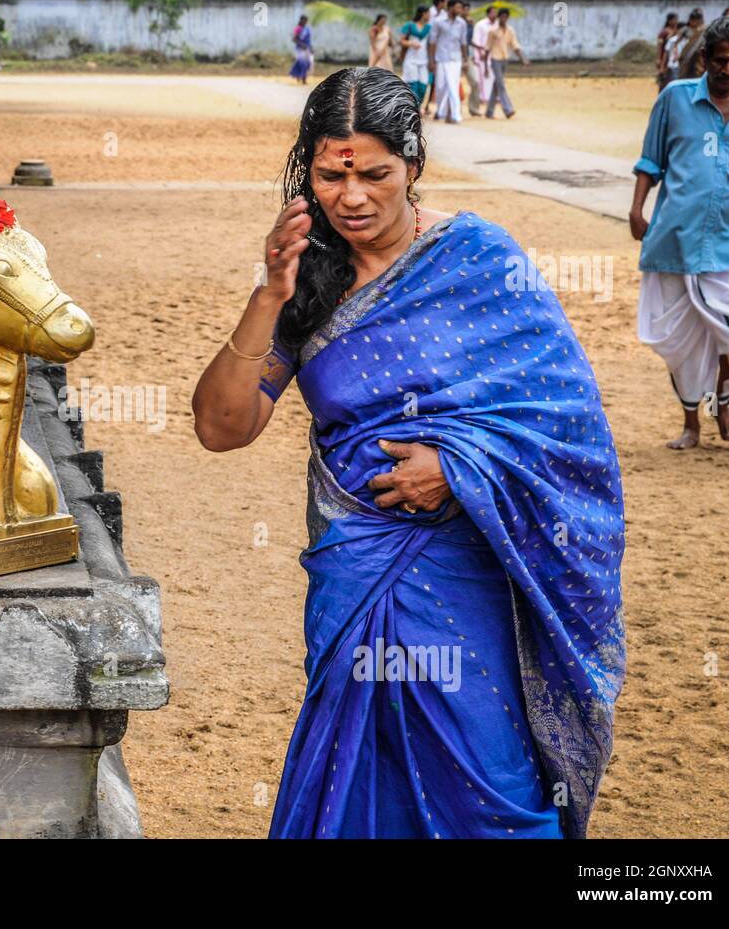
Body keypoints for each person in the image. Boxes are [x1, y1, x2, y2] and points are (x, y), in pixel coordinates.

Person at [192, 66, 626, 839]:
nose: (351, 198)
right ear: (309, 170)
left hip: (465, 572)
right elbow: (222, 426)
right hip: (356, 571)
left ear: (414, 167)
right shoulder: (305, 284)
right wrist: (267, 295)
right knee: (356, 774)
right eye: (331, 174)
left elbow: (566, 426)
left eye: (374, 175)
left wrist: (459, 472)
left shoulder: (481, 261)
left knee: (488, 783)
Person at [631, 14, 729, 449]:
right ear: (703, 59)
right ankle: (691, 422)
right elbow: (652, 158)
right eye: (720, 61)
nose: (728, 70)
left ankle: (722, 398)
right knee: (679, 341)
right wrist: (637, 208)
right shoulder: (674, 98)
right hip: (676, 237)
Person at [485, 8, 530, 119]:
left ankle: (489, 111)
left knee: (497, 85)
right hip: (495, 59)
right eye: (502, 16)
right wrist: (485, 65)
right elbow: (487, 47)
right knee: (500, 84)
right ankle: (508, 109)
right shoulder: (492, 31)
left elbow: (515, 45)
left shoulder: (510, 30)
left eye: (506, 17)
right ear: (499, 17)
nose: (504, 19)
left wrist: (522, 58)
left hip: (505, 59)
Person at [429, 0, 467, 123]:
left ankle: (456, 115)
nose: (460, 10)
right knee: (440, 87)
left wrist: (465, 59)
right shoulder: (438, 22)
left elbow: (463, 42)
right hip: (441, 58)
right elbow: (432, 42)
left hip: (456, 59)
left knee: (452, 85)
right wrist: (431, 60)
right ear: (450, 8)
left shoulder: (462, 23)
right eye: (458, 7)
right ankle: (441, 111)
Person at [467, 3, 496, 117]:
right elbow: (476, 41)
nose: (495, 14)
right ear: (488, 13)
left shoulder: (497, 25)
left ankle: (489, 97)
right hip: (482, 56)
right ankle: (483, 98)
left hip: (494, 55)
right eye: (493, 12)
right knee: (481, 79)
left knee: (491, 77)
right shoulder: (481, 25)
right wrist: (480, 53)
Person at [399, 7, 431, 107]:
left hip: (424, 60)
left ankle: (418, 106)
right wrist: (410, 43)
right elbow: (401, 41)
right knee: (413, 85)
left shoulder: (429, 28)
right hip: (411, 60)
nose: (429, 15)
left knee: (423, 86)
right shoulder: (409, 26)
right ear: (423, 13)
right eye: (428, 13)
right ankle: (413, 108)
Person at [422, 0, 448, 116]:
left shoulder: (444, 15)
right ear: (440, 2)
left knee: (435, 80)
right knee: (424, 79)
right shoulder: (428, 13)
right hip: (424, 49)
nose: (447, 4)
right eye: (445, 2)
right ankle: (421, 104)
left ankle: (427, 105)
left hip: (437, 50)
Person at [675, 9, 707, 80]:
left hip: (699, 59)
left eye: (698, 19)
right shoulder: (685, 30)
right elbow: (676, 42)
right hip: (686, 58)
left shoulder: (705, 30)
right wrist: (676, 53)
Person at [656, 12, 679, 90]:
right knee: (664, 77)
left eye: (676, 19)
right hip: (664, 58)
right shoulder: (664, 32)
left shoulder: (677, 31)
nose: (676, 21)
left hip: (673, 58)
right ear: (669, 21)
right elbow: (659, 46)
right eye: (674, 19)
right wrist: (659, 58)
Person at [291, 15, 314, 84]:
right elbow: (294, 39)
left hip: (307, 48)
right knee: (302, 63)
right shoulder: (298, 28)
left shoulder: (307, 29)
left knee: (308, 63)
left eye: (306, 21)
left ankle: (300, 75)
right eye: (304, 20)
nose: (305, 22)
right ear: (301, 20)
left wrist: (311, 47)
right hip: (300, 49)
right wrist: (302, 45)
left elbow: (309, 40)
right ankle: (303, 78)